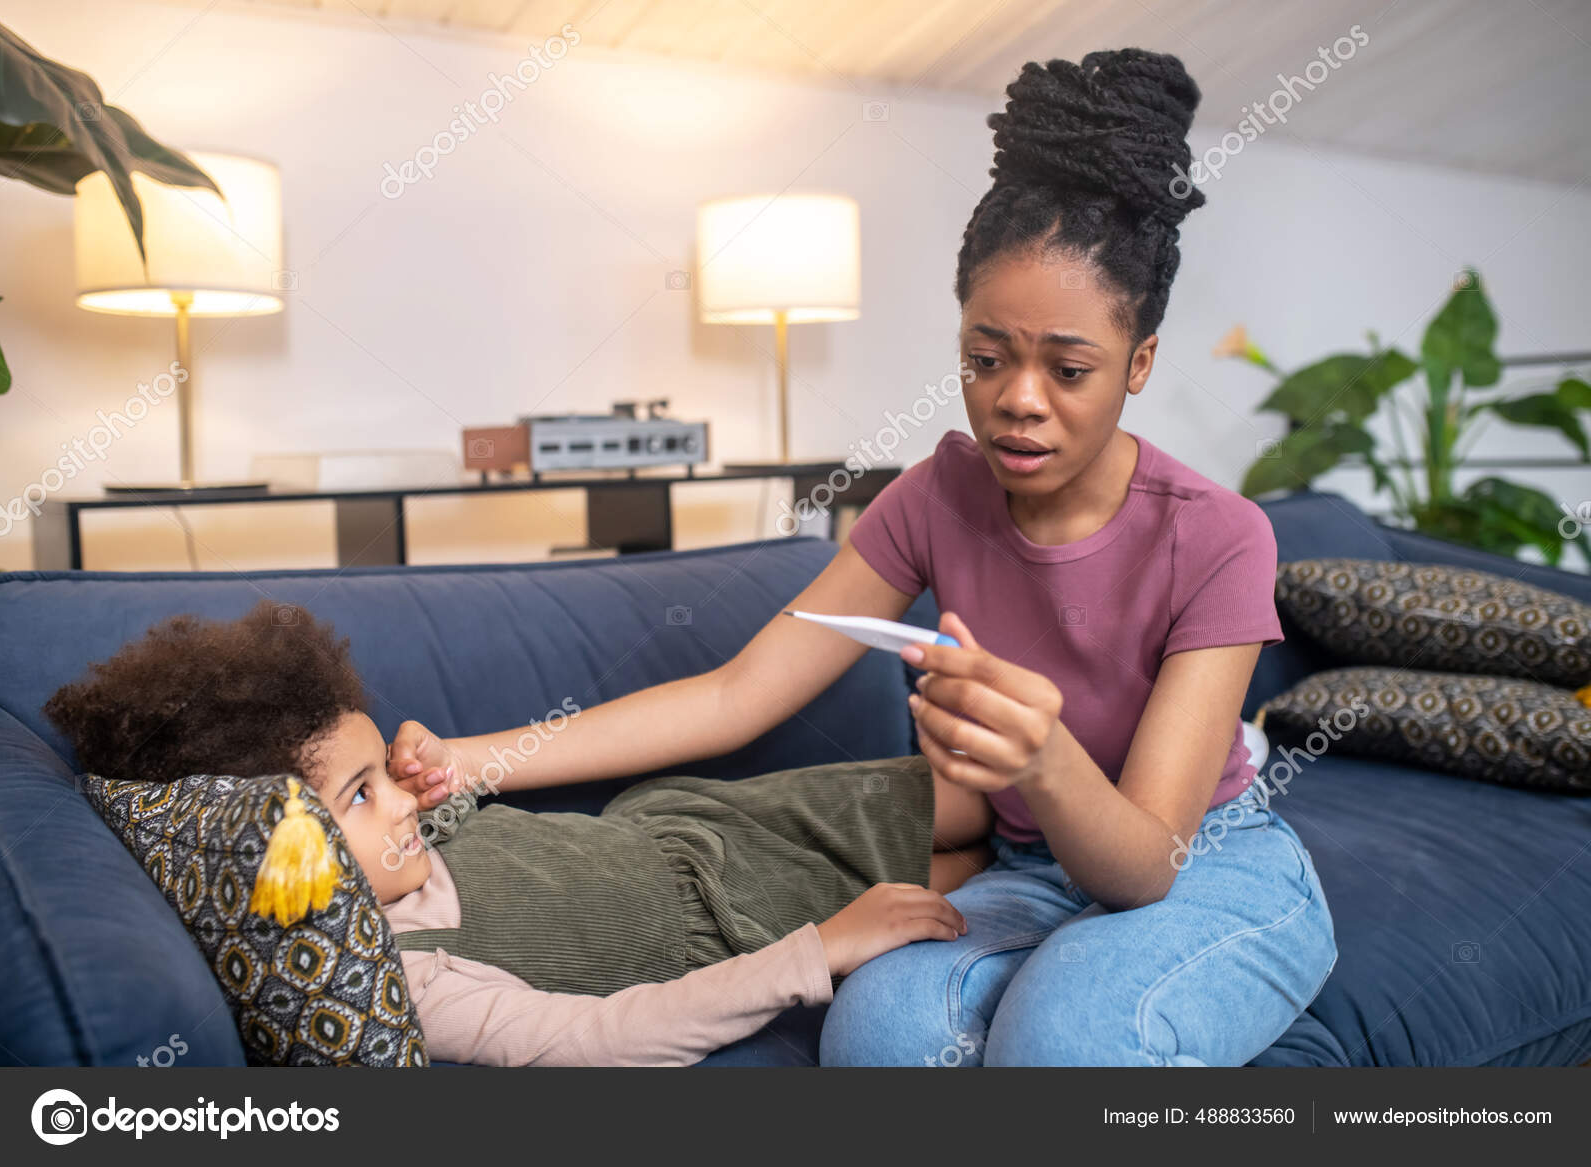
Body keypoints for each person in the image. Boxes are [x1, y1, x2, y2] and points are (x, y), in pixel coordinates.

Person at [391, 48, 1338, 1067]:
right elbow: (734, 695)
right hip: (1027, 863)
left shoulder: (1218, 535)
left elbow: (1145, 865)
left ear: (1138, 362)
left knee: (1065, 1040)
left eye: (1068, 368)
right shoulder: (937, 495)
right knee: (876, 1034)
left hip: (1203, 864)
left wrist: (1042, 759)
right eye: (984, 357)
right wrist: (468, 762)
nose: (1018, 397)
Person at [43, 600, 993, 1066]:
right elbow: (603, 1035)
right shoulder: (409, 980)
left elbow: (438, 790)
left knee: (981, 800)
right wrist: (818, 951)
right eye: (362, 796)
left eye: (381, 780)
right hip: (741, 919)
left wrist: (423, 766)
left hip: (695, 820)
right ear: (284, 855)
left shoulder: (400, 850)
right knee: (968, 879)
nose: (400, 805)